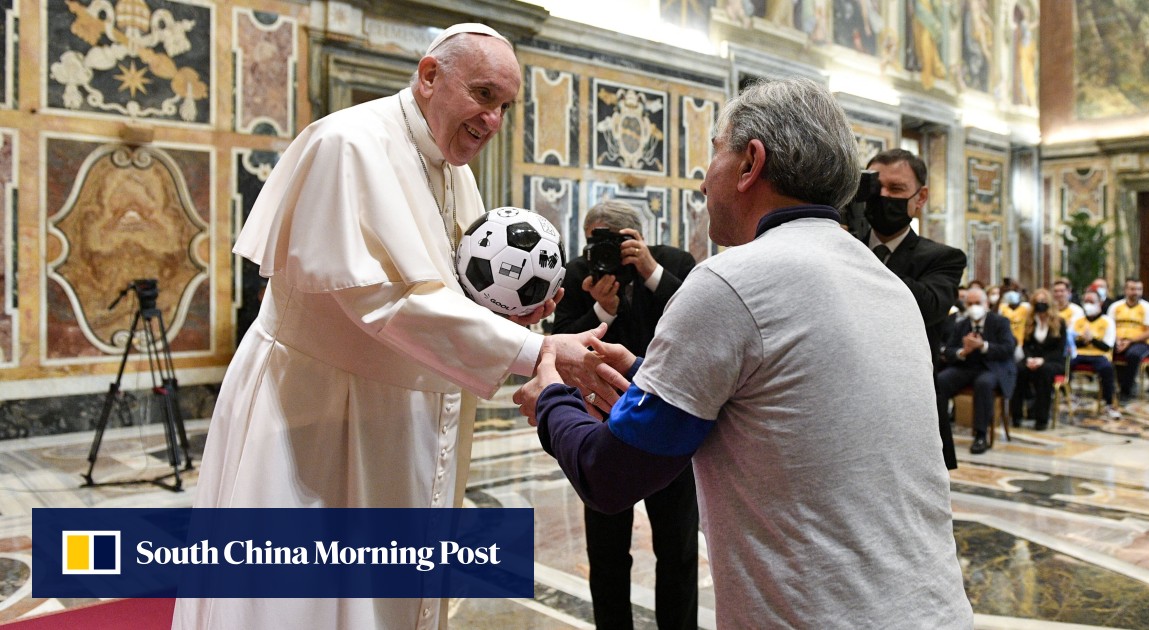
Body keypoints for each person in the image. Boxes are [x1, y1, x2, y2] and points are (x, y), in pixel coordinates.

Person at [173, 25, 621, 630]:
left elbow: (445, 287)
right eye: (484, 95)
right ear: (430, 76)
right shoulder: (346, 145)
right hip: (317, 415)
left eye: (504, 106)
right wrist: (534, 349)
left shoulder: (452, 168)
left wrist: (507, 313)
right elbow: (385, 301)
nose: (493, 120)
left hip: (400, 413)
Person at [517, 77, 972, 628]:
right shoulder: (884, 282)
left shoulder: (731, 281)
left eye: (714, 152)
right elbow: (777, 404)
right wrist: (642, 374)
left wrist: (551, 401)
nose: (704, 182)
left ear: (750, 162)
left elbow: (610, 477)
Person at [553, 200, 699, 630]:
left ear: (636, 238)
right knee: (606, 548)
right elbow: (559, 341)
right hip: (602, 425)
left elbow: (697, 321)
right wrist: (602, 312)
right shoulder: (580, 274)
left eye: (613, 242)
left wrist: (650, 271)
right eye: (594, 240)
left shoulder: (673, 263)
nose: (603, 251)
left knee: (677, 545)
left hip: (668, 421)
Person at [863, 148, 967, 468]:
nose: (883, 197)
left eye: (896, 190)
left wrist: (857, 260)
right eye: (875, 188)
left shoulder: (942, 258)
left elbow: (929, 306)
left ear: (919, 198)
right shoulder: (839, 244)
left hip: (907, 402)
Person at [937, 287, 1017, 455]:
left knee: (984, 383)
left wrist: (983, 346)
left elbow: (1008, 348)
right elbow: (949, 350)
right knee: (940, 381)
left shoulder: (1000, 322)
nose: (974, 307)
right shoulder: (961, 325)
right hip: (966, 367)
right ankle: (939, 433)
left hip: (991, 368)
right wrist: (963, 351)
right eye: (970, 303)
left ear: (986, 304)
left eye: (978, 303)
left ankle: (981, 435)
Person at [1011, 289, 1067, 430]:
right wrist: (1029, 358)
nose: (1040, 304)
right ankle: (1016, 415)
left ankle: (1041, 418)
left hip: (1052, 361)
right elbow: (1026, 345)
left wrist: (1043, 360)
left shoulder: (1059, 322)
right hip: (1032, 359)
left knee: (1044, 373)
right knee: (1018, 370)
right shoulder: (1030, 321)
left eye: (1043, 301)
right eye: (1037, 302)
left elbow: (1059, 350)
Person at [1073, 290, 1121, 418]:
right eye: (1086, 301)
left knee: (1107, 369)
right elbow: (1072, 343)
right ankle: (1067, 396)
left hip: (1099, 354)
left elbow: (1106, 346)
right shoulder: (1078, 321)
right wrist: (1085, 340)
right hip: (1079, 353)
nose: (1088, 304)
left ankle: (1108, 403)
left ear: (1100, 303)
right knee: (1063, 365)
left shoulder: (1107, 321)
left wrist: (1091, 339)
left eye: (1092, 302)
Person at [1107, 278, 1149, 401]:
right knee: (1104, 353)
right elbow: (1109, 327)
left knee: (1133, 355)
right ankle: (1108, 388)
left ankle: (1126, 390)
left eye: (1139, 289)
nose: (1136, 292)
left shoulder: (1148, 308)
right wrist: (1117, 340)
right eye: (1132, 289)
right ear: (1125, 290)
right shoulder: (1115, 307)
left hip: (1140, 343)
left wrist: (1129, 341)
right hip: (1117, 340)